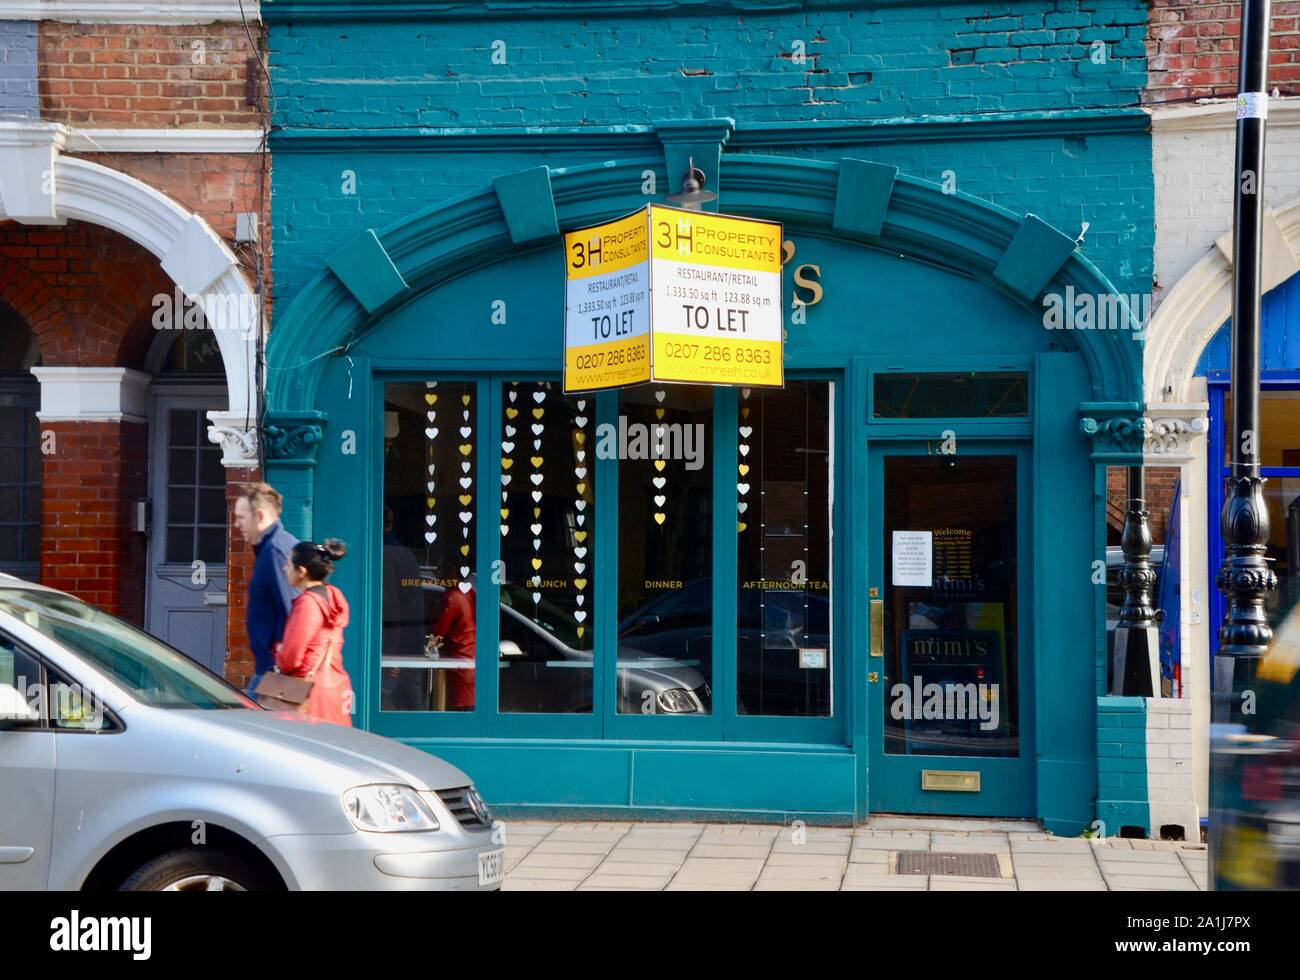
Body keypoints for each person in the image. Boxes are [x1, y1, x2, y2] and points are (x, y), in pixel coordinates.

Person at [275, 539, 354, 726]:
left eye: (288, 564)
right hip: (334, 687)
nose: (285, 569)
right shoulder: (333, 596)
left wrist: (278, 649)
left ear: (301, 571)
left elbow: (291, 658)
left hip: (309, 694)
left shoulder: (308, 604)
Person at [234, 483, 299, 695]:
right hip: (273, 673)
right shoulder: (276, 548)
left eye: (241, 518)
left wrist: (282, 667)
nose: (236, 524)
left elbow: (293, 613)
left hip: (276, 676)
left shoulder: (275, 553)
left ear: (259, 516)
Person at [381, 505, 428, 711]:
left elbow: (391, 609)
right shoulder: (404, 554)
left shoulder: (387, 554)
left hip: (398, 650)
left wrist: (391, 656)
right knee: (408, 706)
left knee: (395, 706)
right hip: (409, 646)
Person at [431, 555, 475, 711]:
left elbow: (437, 635)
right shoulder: (470, 594)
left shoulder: (453, 598)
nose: (436, 573)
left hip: (458, 669)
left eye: (440, 568)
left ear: (453, 571)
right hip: (468, 666)